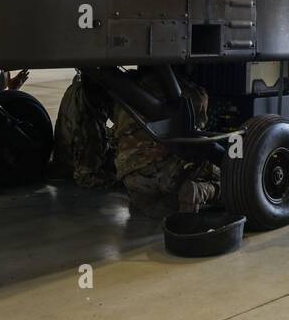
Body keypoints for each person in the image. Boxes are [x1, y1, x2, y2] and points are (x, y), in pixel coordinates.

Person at [51, 71, 220, 217]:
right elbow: (199, 117)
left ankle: (156, 197)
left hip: (131, 179)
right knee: (227, 176)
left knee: (157, 206)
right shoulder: (186, 91)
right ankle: (202, 191)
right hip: (167, 175)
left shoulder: (121, 91)